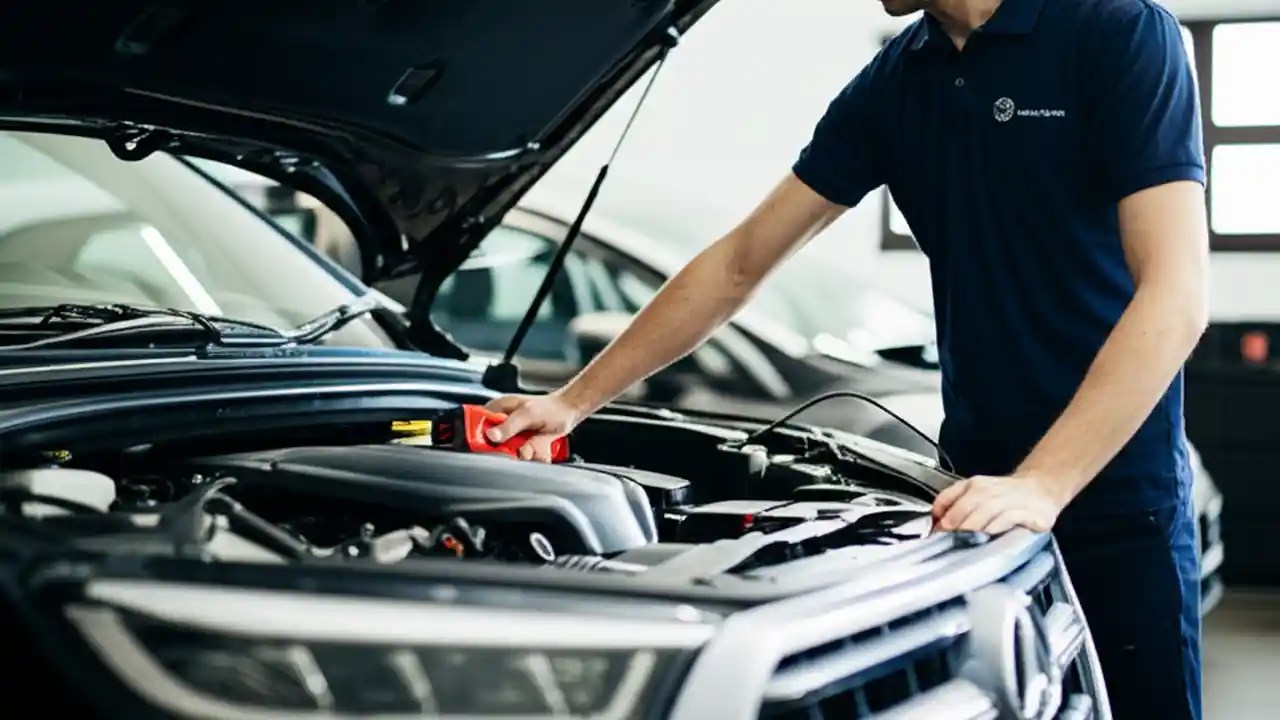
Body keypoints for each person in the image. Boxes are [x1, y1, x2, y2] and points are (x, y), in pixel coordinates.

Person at [483, 1, 1208, 717]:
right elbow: (738, 262)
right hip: (970, 502)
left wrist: (1044, 483)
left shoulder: (1118, 32)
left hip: (1116, 502)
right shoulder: (898, 79)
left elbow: (1175, 296)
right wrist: (572, 401)